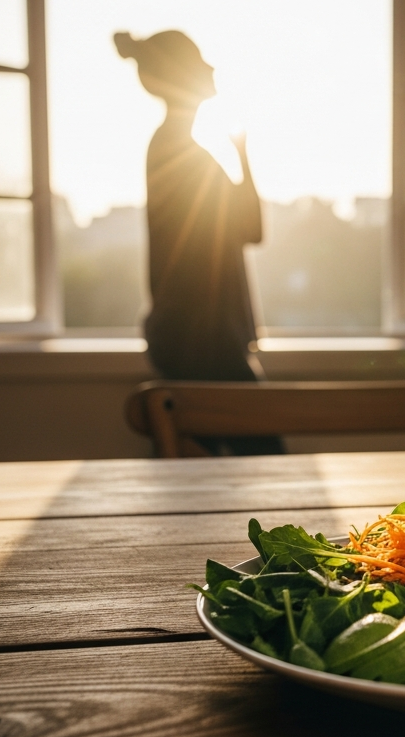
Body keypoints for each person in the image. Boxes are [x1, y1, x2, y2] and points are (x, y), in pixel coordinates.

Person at [116, 30, 281, 455]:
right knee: (262, 465)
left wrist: (241, 154)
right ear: (181, 76)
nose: (211, 67)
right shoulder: (178, 152)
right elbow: (248, 231)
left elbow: (249, 230)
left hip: (201, 338)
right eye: (200, 61)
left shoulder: (180, 149)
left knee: (202, 468)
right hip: (204, 341)